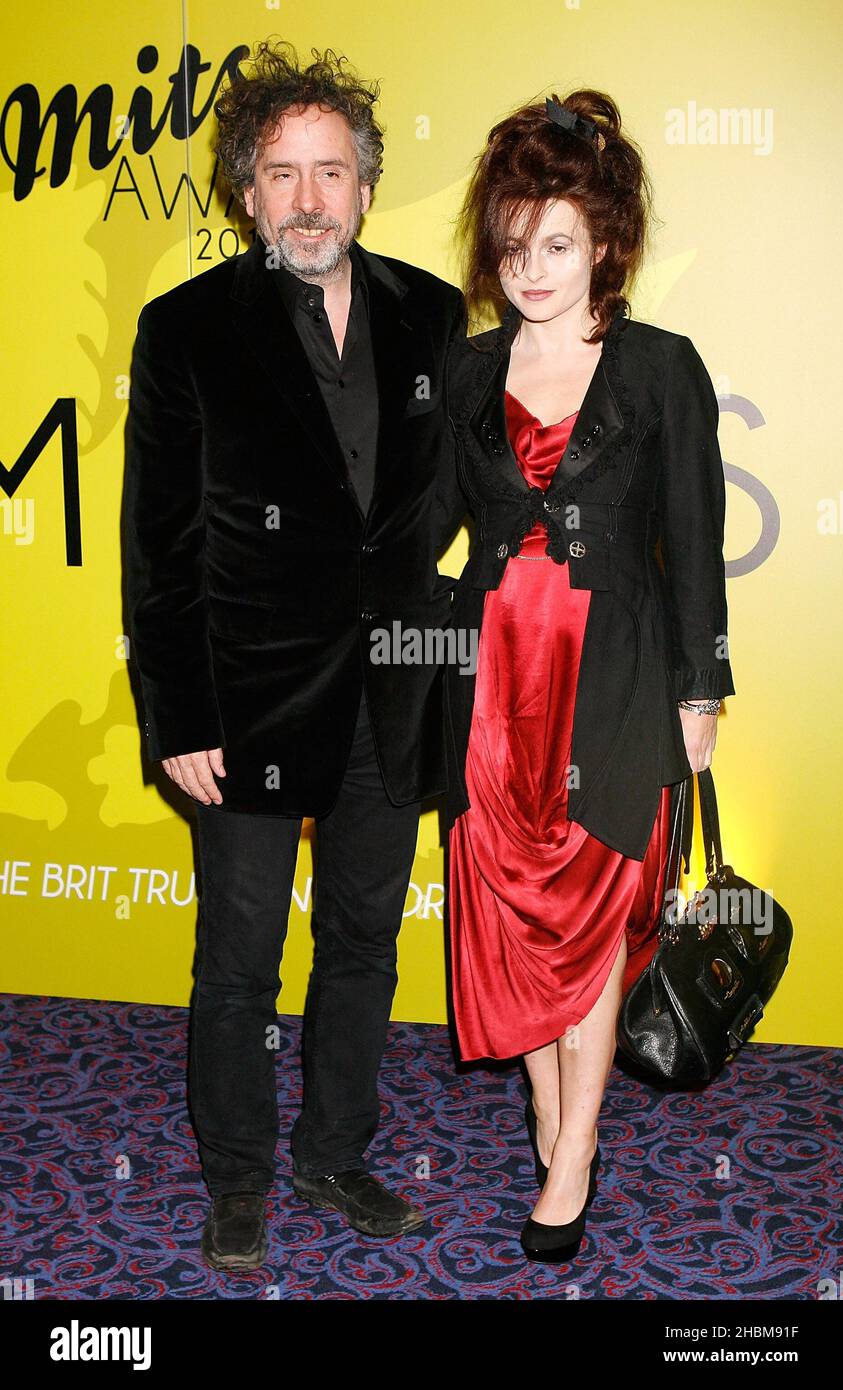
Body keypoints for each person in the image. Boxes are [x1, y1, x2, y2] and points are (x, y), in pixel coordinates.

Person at [122, 41, 466, 1271]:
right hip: (251, 699)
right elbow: (157, 546)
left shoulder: (431, 311)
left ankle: (335, 1150)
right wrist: (179, 714)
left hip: (389, 692)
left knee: (365, 938)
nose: (309, 197)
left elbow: (436, 507)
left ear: (365, 187)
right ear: (247, 193)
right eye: (282, 174)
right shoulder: (186, 329)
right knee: (240, 955)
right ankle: (238, 1179)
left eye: (331, 171)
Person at [441, 90, 735, 1263]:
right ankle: (549, 1112)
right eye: (511, 246)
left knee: (598, 911)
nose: (529, 269)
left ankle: (571, 1157)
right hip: (490, 681)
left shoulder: (660, 369)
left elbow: (692, 541)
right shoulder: (464, 374)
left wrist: (698, 689)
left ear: (605, 240)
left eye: (554, 243)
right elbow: (429, 538)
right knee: (507, 908)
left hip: (609, 676)